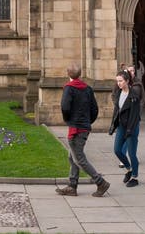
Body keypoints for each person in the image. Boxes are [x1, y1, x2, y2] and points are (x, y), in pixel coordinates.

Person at [55, 62, 110, 198]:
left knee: (79, 158)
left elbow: (65, 107)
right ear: (80, 74)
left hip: (76, 128)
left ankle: (100, 182)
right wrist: (87, 121)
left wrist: (69, 120)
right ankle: (72, 186)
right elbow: (95, 109)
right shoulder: (87, 89)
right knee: (72, 156)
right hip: (84, 127)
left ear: (68, 74)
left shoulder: (69, 88)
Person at [109, 68, 143, 187]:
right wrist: (113, 126)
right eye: (117, 81)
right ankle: (129, 169)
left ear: (127, 81)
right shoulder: (119, 93)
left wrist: (129, 131)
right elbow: (117, 111)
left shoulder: (134, 95)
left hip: (132, 128)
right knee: (117, 150)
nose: (119, 83)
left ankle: (134, 177)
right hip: (122, 126)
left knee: (132, 154)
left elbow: (134, 116)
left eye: (121, 81)